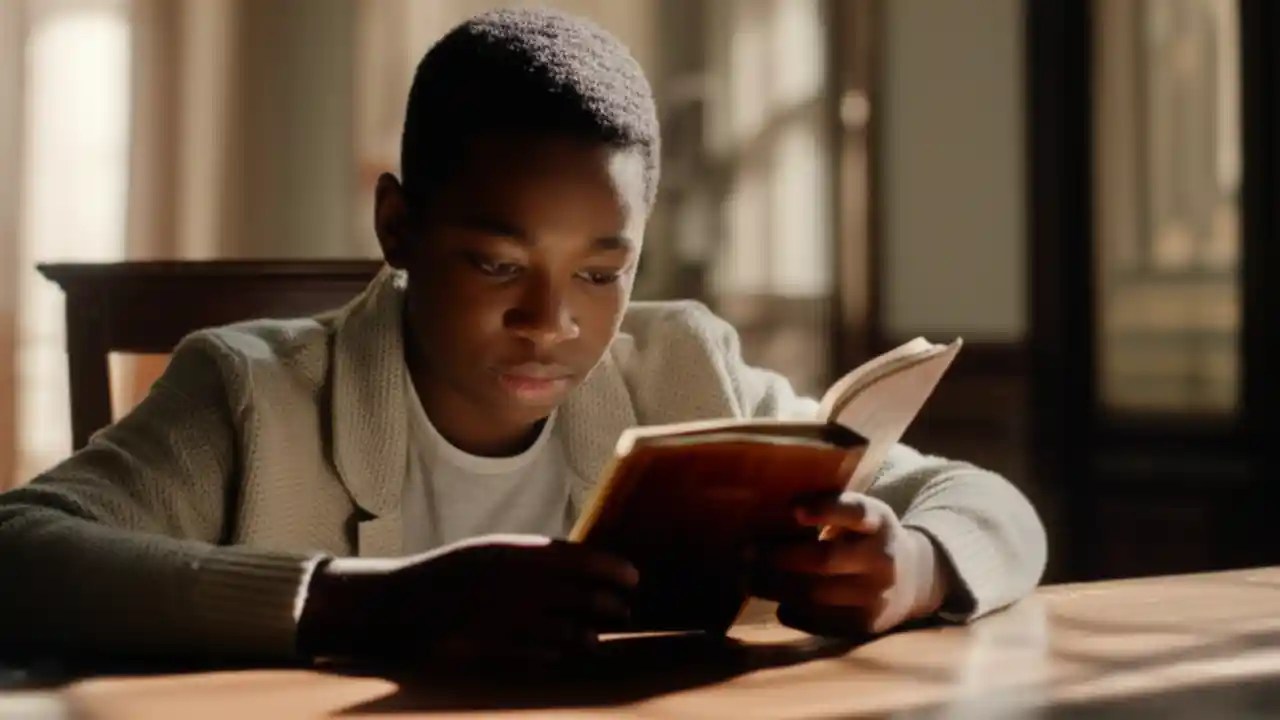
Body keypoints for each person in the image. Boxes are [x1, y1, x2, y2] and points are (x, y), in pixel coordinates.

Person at [0, 8, 1045, 665]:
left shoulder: (682, 363)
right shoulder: (249, 393)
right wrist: (357, 608)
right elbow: (19, 553)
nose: (553, 323)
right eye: (495, 264)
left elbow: (986, 502)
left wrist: (911, 565)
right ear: (398, 226)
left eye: (601, 273)